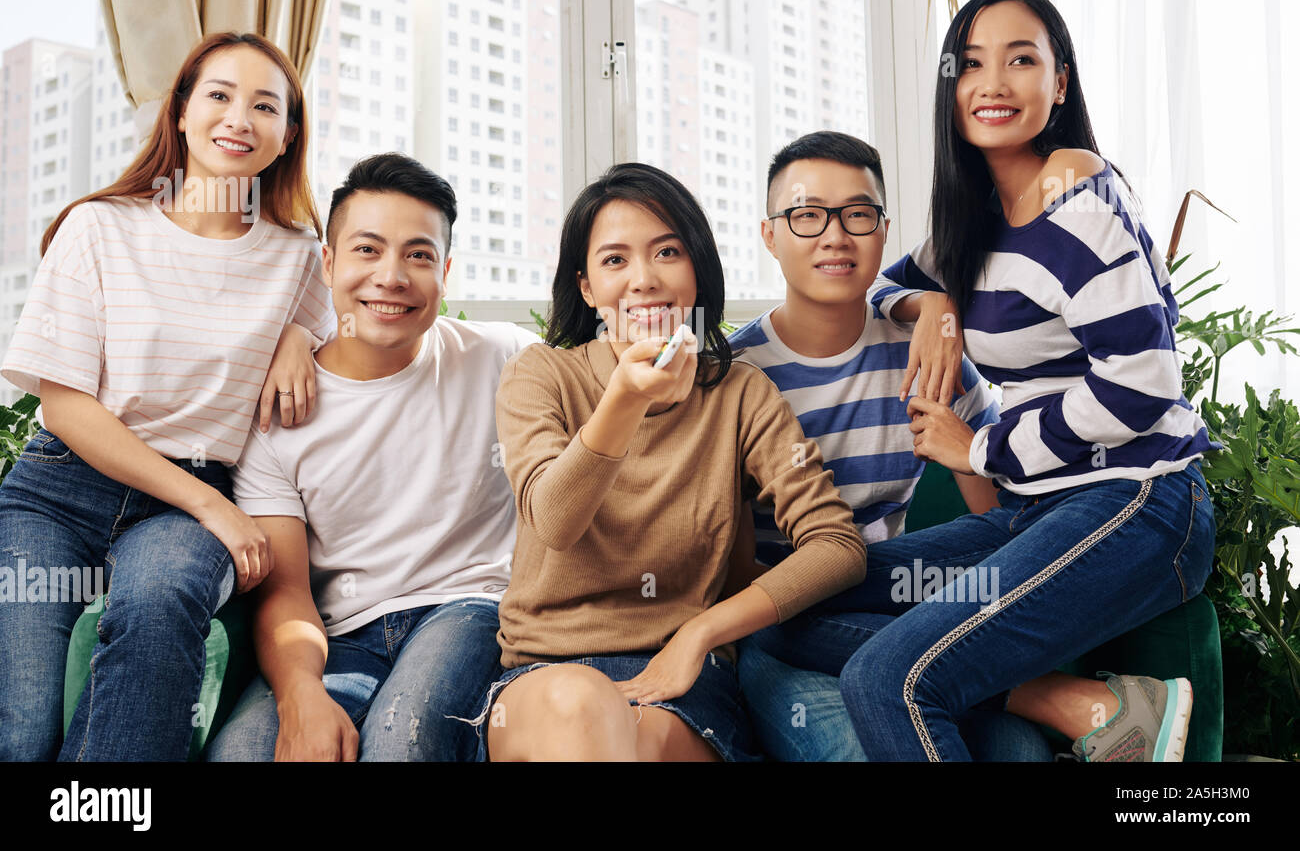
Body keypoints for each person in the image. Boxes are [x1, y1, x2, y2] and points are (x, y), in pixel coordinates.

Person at [832, 0, 1216, 761]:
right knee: (812, 596)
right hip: (1039, 514)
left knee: (888, 679)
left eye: (1021, 60)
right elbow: (881, 286)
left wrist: (979, 451)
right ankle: (1093, 708)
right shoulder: (973, 225)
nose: (993, 84)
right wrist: (938, 305)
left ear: (1060, 83)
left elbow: (1144, 386)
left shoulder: (1077, 199)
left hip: (1138, 502)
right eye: (971, 64)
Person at [0, 33, 333, 761]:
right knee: (20, 730)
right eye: (218, 95)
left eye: (265, 105)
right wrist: (217, 509)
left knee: (158, 608)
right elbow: (65, 406)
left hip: (183, 507)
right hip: (62, 487)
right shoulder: (99, 227)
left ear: (288, 135)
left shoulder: (301, 257)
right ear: (181, 113)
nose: (238, 118)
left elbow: (339, 331)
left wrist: (299, 337)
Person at [478, 162, 867, 762]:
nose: (644, 280)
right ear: (586, 288)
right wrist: (625, 401)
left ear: (696, 269)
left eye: (667, 252)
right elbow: (554, 521)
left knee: (644, 741)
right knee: (584, 708)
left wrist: (701, 632)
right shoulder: (541, 375)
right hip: (546, 673)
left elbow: (836, 546)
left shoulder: (741, 393)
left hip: (684, 675)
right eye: (614, 261)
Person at [728, 130, 1053, 761]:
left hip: (898, 611)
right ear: (770, 235)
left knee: (1020, 755)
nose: (834, 236)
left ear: (882, 230)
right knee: (859, 751)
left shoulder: (927, 352)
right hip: (781, 628)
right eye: (805, 215)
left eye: (857, 214)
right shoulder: (739, 375)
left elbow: (994, 528)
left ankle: (1025, 699)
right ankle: (1040, 694)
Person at [206, 153, 539, 762]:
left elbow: (610, 393)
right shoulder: (275, 414)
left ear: (446, 272)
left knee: (400, 744)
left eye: (419, 255)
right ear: (328, 264)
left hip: (472, 608)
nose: (392, 277)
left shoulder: (505, 357)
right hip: (341, 634)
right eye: (367, 250)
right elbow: (285, 593)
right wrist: (301, 693)